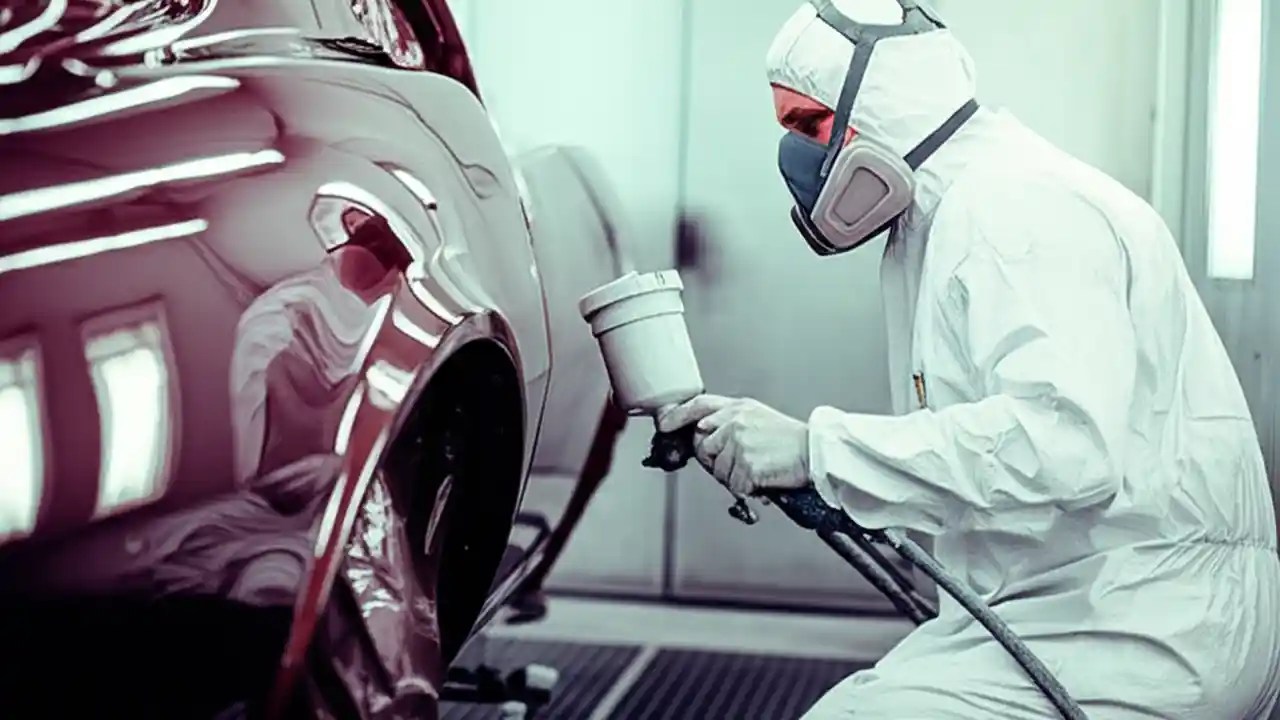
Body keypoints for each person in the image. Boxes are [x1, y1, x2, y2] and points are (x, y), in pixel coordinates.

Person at [656, 1, 1280, 717]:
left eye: (809, 124)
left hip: (1143, 628)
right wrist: (802, 464)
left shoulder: (1012, 208)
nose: (796, 154)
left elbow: (1067, 445)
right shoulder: (946, 214)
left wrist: (814, 451)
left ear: (883, 103)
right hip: (1084, 610)